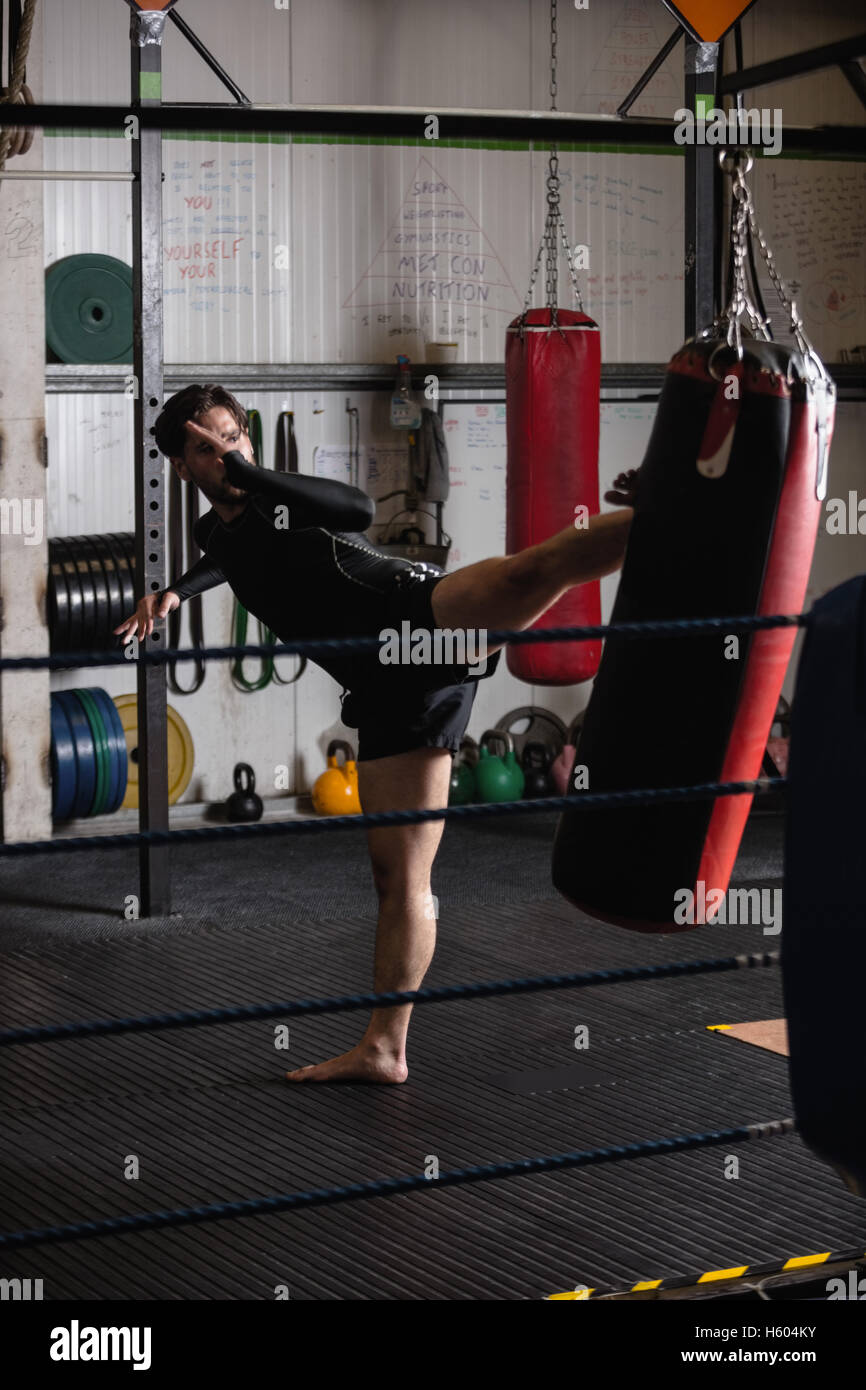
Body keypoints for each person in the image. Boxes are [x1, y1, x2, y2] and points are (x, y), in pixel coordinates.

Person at [115, 384, 636, 1084]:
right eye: (205, 449)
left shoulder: (281, 496)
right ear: (183, 467)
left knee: (534, 568)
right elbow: (227, 555)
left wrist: (249, 470)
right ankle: (385, 1048)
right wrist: (176, 590)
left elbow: (356, 510)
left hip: (413, 615)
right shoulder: (218, 532)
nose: (225, 453)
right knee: (398, 879)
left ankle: (663, 515)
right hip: (382, 685)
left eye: (232, 436)